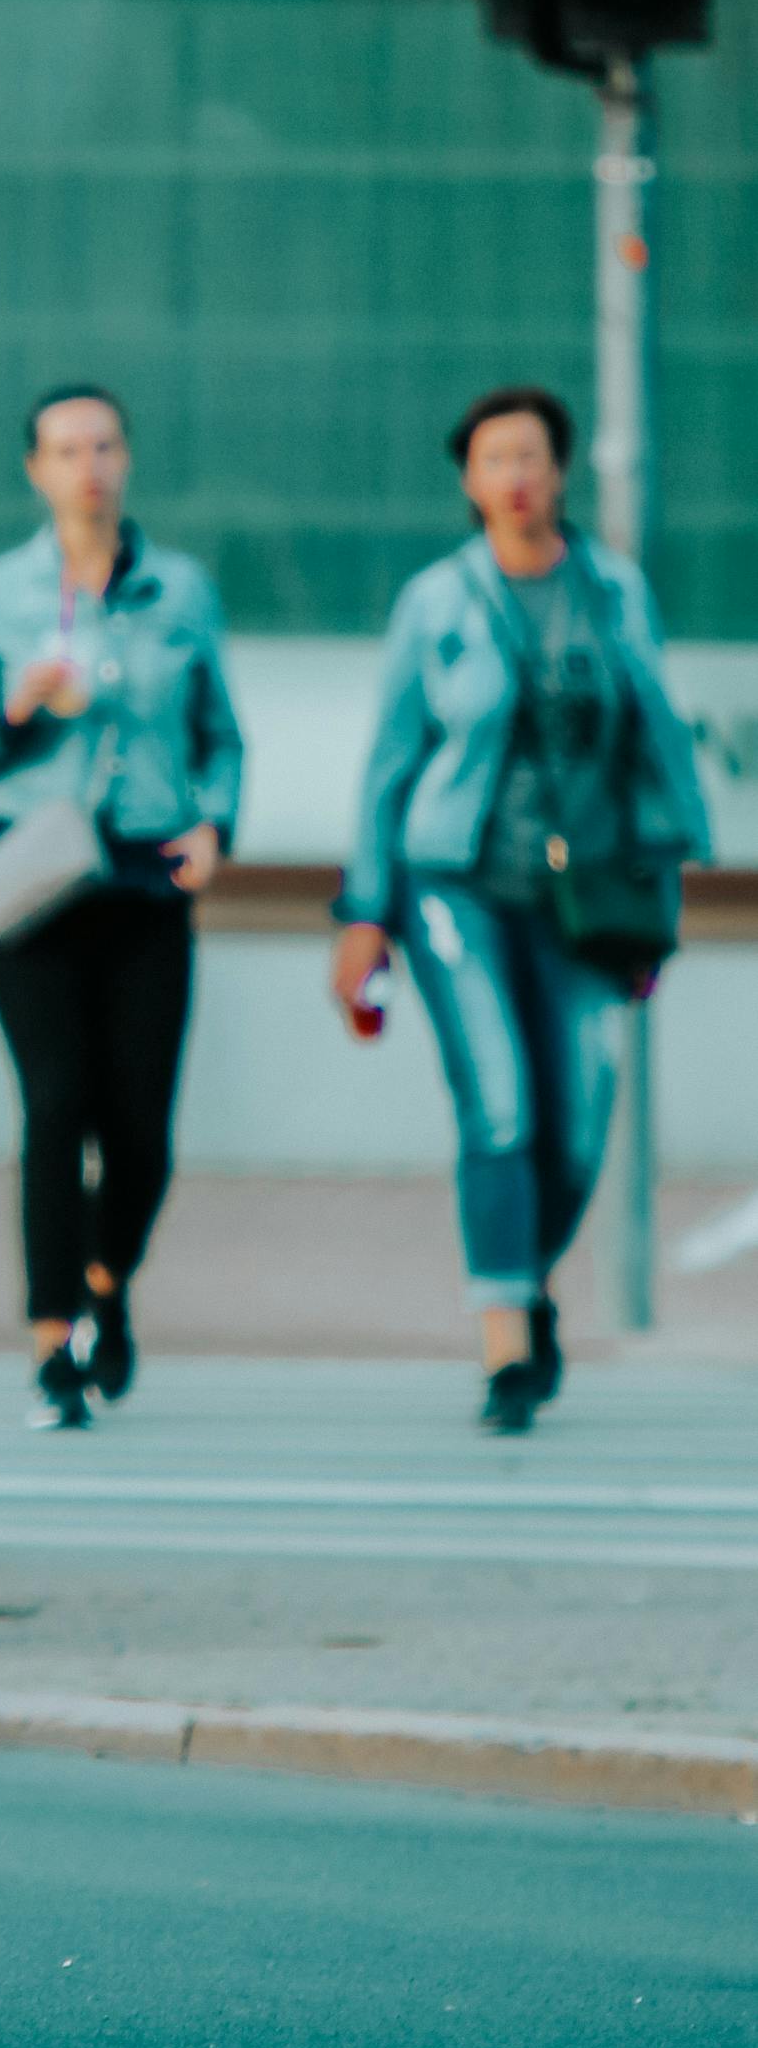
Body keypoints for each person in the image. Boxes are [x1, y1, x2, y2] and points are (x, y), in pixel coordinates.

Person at [330, 385, 709, 1435]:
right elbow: (390, 763)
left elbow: (653, 744)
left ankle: (524, 1279)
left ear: (560, 470)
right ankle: (504, 1341)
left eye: (531, 455)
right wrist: (363, 913)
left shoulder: (613, 590)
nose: (515, 477)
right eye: (494, 458)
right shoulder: (436, 603)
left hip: (588, 895)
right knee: (498, 1104)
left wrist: (662, 887)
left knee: (578, 1123)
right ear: (469, 478)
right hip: (457, 883)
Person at [0, 387, 241, 1430]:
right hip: (29, 876)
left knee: (140, 1126)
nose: (88, 466)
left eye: (103, 445)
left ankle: (106, 1282)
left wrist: (215, 823)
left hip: (145, 876)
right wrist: (16, 703)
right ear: (36, 470)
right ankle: (51, 1340)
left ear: (127, 458)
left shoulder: (179, 590)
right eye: (66, 450)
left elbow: (220, 735)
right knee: (56, 1103)